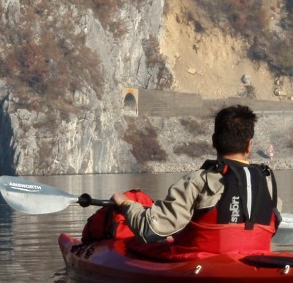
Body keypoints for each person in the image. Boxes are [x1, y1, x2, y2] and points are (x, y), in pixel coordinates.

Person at [110, 105, 282, 254]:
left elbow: (149, 229)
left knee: (134, 245)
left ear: (214, 141)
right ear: (249, 144)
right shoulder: (268, 183)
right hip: (253, 260)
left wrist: (126, 205)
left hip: (203, 265)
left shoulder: (198, 182)